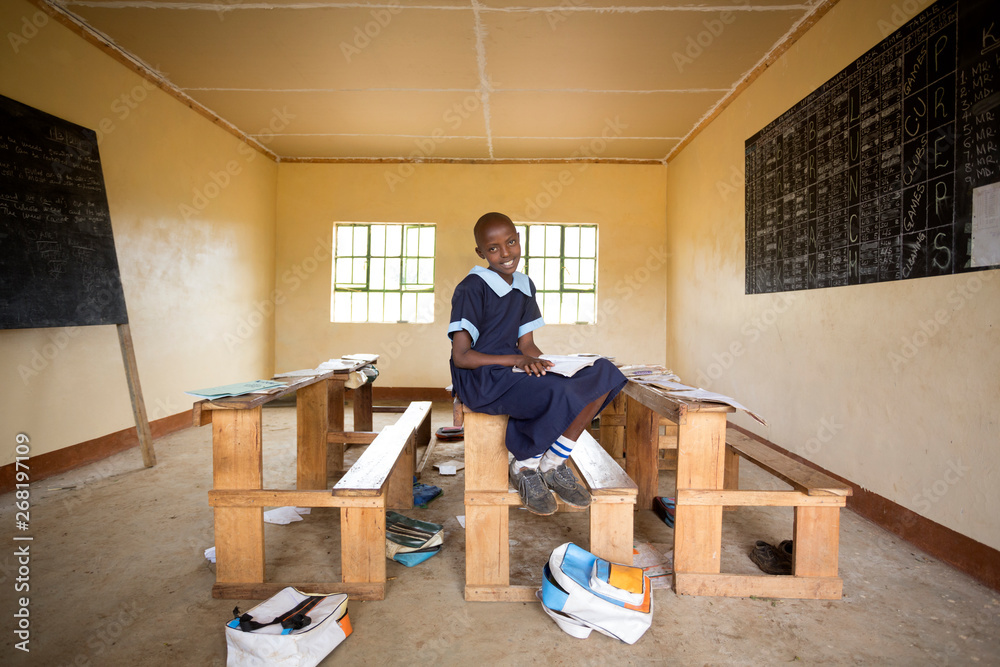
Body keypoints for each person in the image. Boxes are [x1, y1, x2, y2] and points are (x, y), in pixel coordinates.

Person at [448, 212, 627, 515]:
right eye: (493, 248)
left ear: (519, 239)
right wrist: (520, 360)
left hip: (512, 372)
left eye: (511, 242)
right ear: (481, 253)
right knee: (561, 394)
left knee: (604, 374)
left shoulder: (524, 284)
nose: (505, 253)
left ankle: (554, 460)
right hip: (483, 380)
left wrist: (550, 367)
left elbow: (527, 345)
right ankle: (524, 465)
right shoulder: (472, 288)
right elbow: (462, 357)